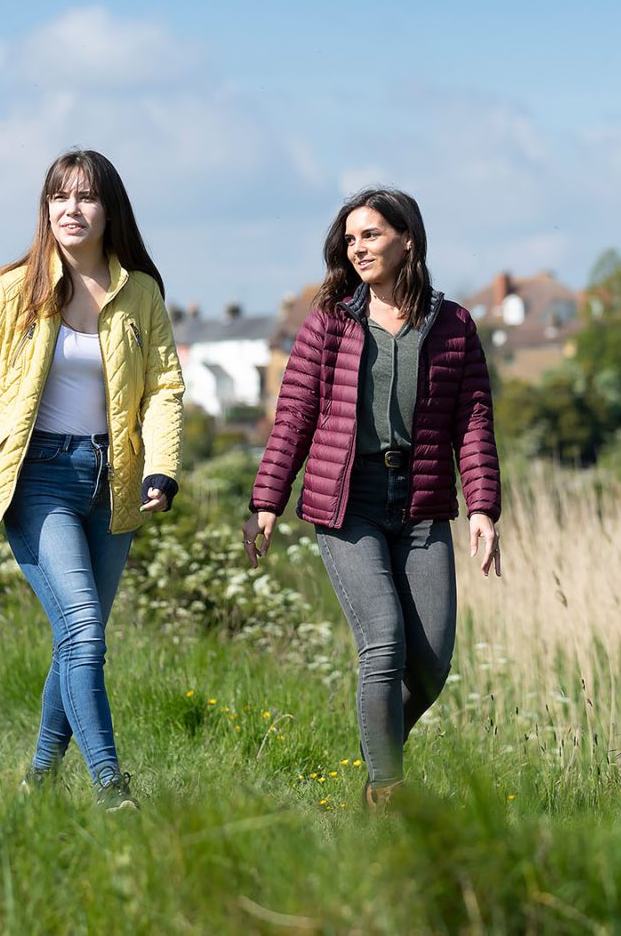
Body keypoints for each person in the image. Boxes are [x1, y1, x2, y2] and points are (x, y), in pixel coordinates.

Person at [0, 149, 184, 811]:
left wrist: (162, 466)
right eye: (59, 196)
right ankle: (112, 786)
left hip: (112, 482)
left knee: (76, 640)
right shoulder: (13, 289)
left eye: (87, 196)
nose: (72, 208)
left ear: (108, 208)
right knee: (85, 629)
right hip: (36, 478)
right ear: (46, 209)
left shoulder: (141, 292)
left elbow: (166, 389)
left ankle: (38, 779)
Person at [244, 187, 502, 809]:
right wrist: (267, 502)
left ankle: (379, 746)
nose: (358, 247)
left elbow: (473, 420)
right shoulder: (330, 320)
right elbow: (295, 415)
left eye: (372, 235)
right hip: (348, 501)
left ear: (407, 239)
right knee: (382, 641)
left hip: (420, 505)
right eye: (351, 237)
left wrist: (483, 507)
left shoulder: (453, 324)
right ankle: (387, 788)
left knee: (432, 666)